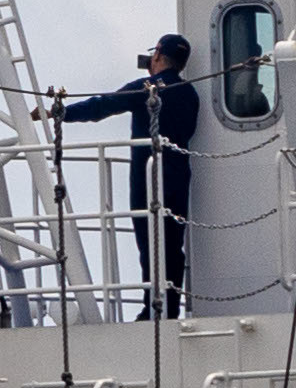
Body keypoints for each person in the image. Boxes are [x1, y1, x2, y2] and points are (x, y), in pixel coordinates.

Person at [54, 35, 202, 318]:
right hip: (179, 177)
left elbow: (103, 106)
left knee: (150, 244)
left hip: (147, 180)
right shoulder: (189, 93)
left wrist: (61, 112)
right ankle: (169, 308)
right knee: (172, 244)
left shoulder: (146, 88)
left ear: (157, 54)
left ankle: (153, 309)